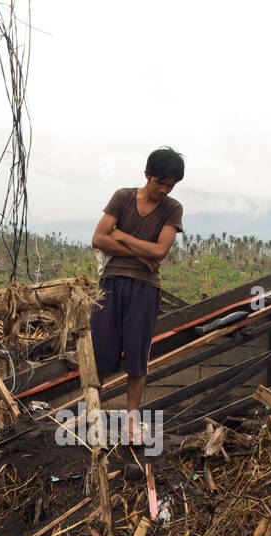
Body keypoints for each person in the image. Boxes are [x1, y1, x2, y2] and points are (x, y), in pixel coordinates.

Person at [90, 146, 184, 443]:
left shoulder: (172, 208)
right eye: (160, 183)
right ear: (147, 174)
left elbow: (159, 251)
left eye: (171, 185)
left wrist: (121, 236)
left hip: (145, 287)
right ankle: (92, 412)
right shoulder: (123, 197)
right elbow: (97, 238)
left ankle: (131, 422)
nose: (165, 190)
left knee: (137, 355)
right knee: (100, 350)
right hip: (112, 283)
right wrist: (141, 254)